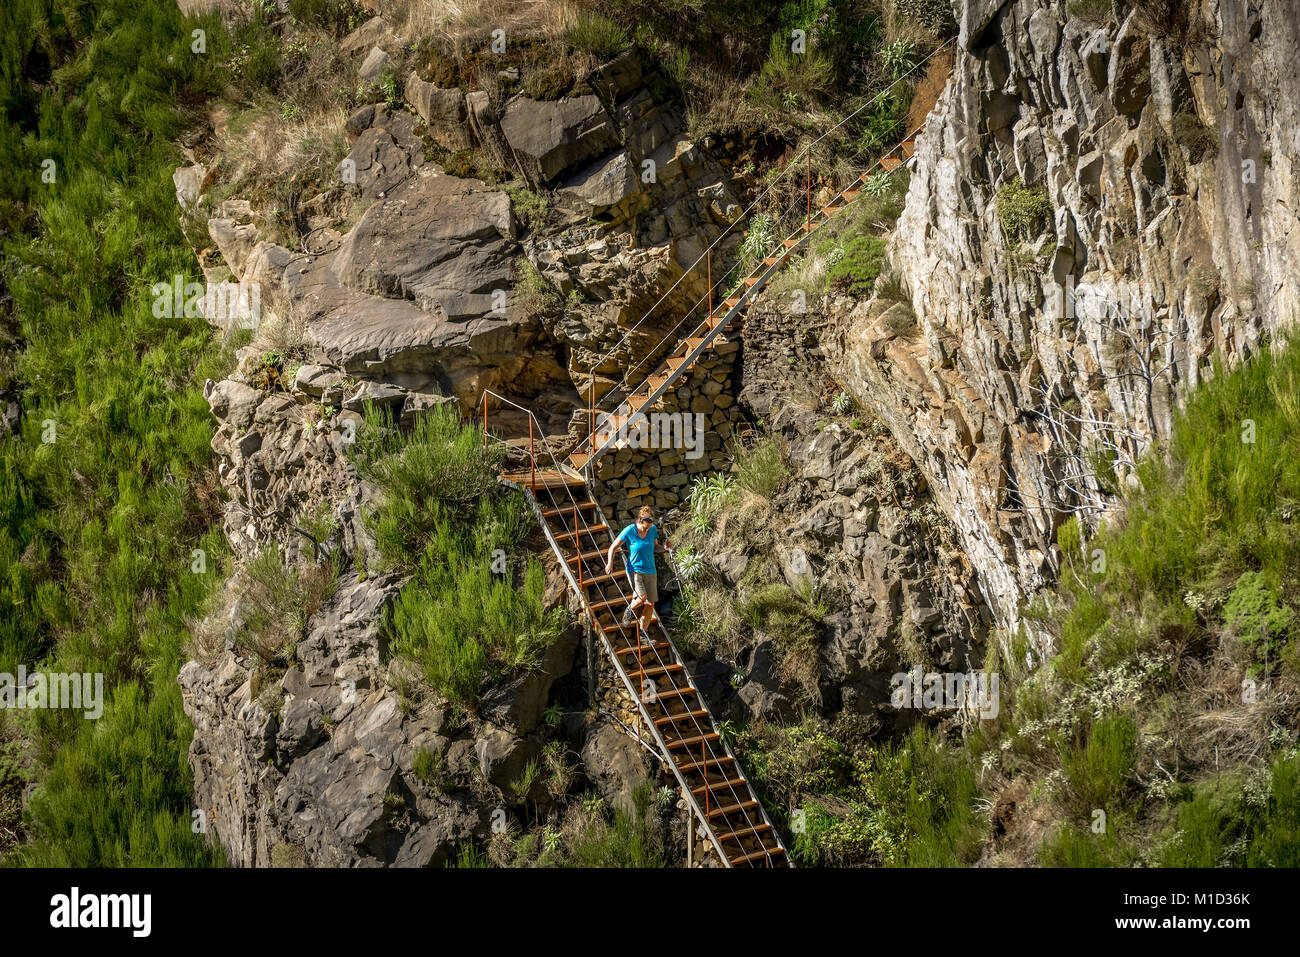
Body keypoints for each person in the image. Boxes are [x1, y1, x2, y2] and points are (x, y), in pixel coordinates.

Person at [604, 505, 672, 633]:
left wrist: (665, 549)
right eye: (645, 527)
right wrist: (610, 563)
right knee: (642, 597)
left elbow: (655, 547)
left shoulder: (652, 530)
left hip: (651, 571)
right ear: (640, 521)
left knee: (650, 603)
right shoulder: (629, 531)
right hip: (634, 570)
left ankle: (643, 631)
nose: (647, 530)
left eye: (649, 527)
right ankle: (630, 609)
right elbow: (612, 548)